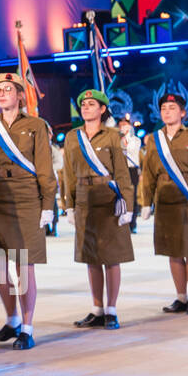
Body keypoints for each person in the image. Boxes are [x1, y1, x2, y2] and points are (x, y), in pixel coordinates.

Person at [0, 72, 55, 350]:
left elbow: (45, 167)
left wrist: (48, 205)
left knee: (23, 265)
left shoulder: (36, 125)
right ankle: (12, 320)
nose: (3, 94)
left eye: (9, 89)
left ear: (20, 95)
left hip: (25, 197)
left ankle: (28, 327)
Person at [63, 90, 133, 330]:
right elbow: (68, 174)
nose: (86, 107)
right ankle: (97, 309)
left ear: (103, 109)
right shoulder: (72, 137)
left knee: (111, 258)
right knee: (91, 257)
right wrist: (69, 205)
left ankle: (111, 310)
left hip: (108, 199)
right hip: (84, 199)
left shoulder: (113, 136)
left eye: (92, 104)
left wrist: (128, 205)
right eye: (83, 104)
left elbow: (122, 172)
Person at [139, 93, 188, 314]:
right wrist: (146, 202)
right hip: (165, 199)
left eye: (172, 108)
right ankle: (180, 297)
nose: (167, 112)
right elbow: (149, 172)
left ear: (183, 113)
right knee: (172, 251)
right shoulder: (154, 139)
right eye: (164, 108)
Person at [118, 117, 143, 234]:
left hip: (131, 170)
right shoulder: (116, 139)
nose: (122, 127)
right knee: (120, 196)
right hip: (120, 169)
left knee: (131, 196)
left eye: (125, 125)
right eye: (120, 125)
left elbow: (130, 150)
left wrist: (126, 136)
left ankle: (132, 224)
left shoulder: (135, 140)